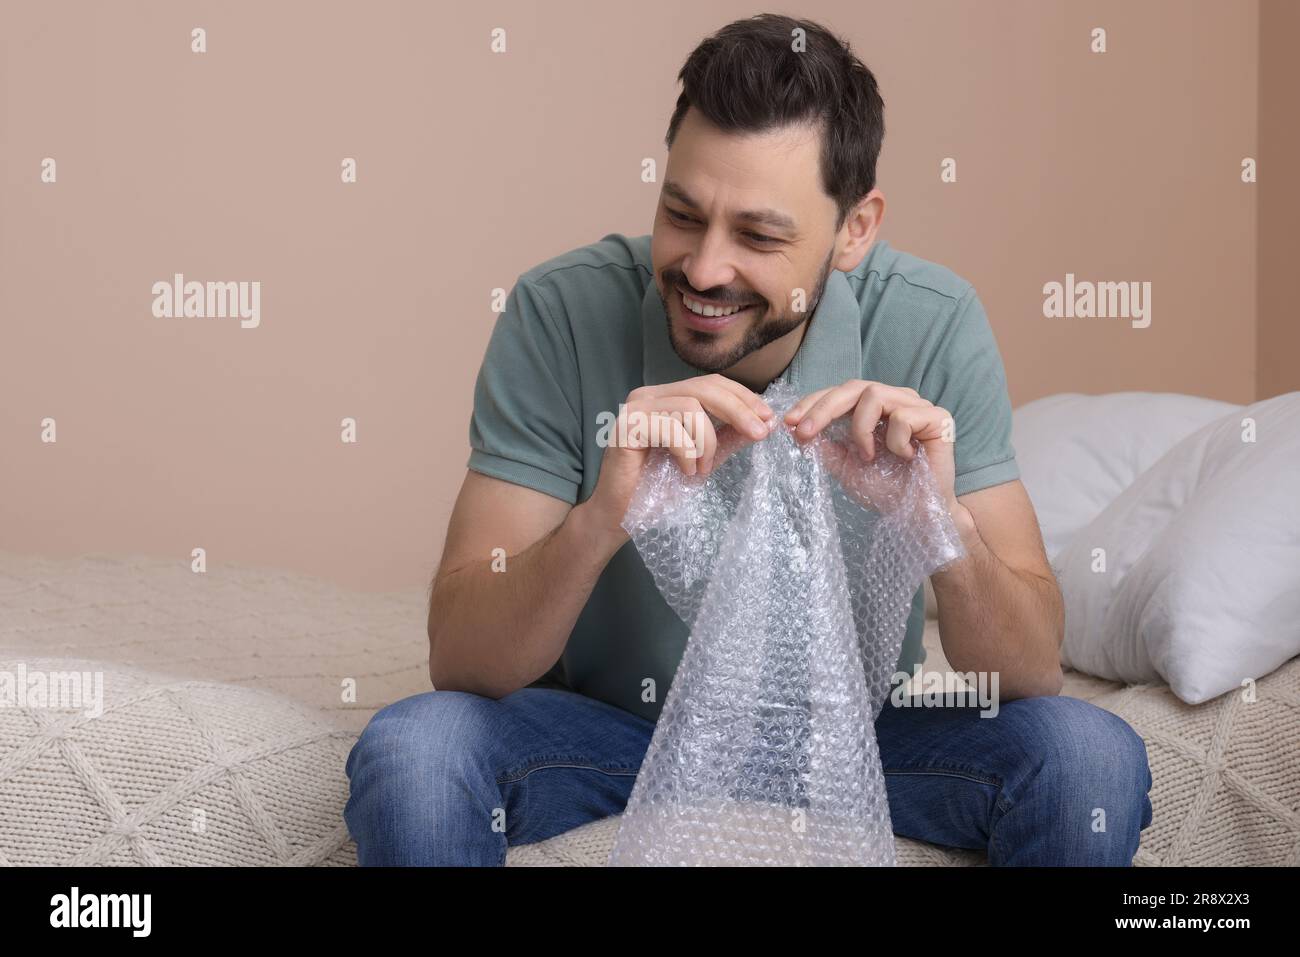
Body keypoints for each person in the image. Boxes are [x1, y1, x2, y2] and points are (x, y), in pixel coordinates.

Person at [345, 13, 1153, 866]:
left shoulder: (932, 325)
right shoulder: (561, 312)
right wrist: (602, 518)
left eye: (760, 236)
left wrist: (936, 519)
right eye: (682, 214)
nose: (703, 268)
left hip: (865, 738)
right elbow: (462, 659)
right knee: (417, 752)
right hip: (619, 731)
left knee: (1086, 754)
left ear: (856, 229)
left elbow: (1031, 671)